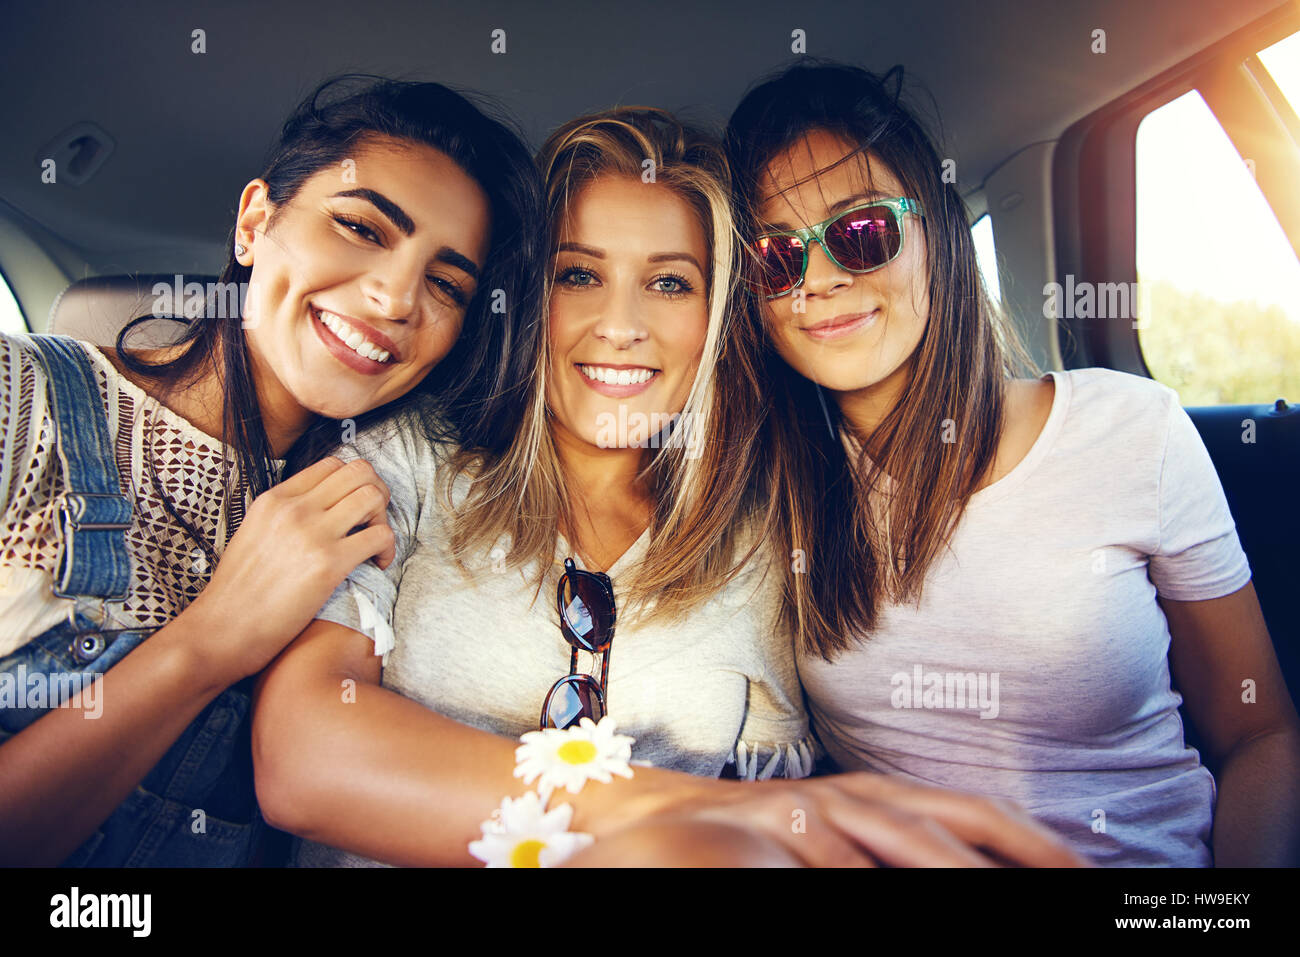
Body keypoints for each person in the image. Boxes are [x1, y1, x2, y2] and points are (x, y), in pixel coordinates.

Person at [252, 106, 1082, 868]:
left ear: (719, 314)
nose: (621, 325)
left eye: (670, 282)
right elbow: (302, 757)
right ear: (530, 297)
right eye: (578, 274)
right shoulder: (405, 457)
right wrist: (685, 812)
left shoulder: (764, 530)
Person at [723, 60, 1300, 866]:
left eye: (861, 233)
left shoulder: (1131, 429)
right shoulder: (770, 493)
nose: (816, 281)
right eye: (776, 257)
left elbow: (1260, 730)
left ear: (939, 235)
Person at [0, 75, 544, 866]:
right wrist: (213, 640)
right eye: (361, 227)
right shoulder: (22, 401)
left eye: (446, 283)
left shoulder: (397, 518)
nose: (396, 298)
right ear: (254, 223)